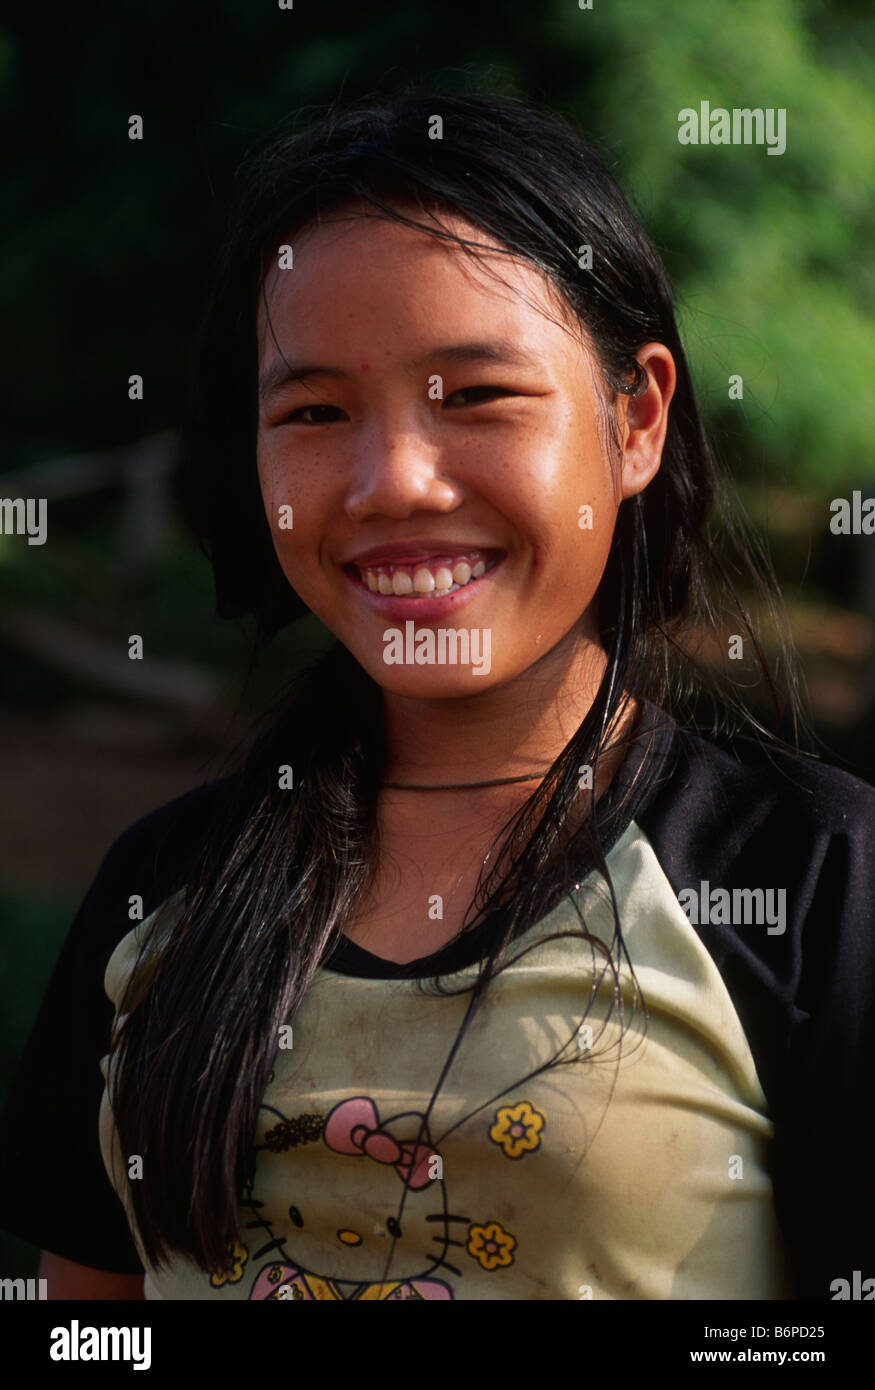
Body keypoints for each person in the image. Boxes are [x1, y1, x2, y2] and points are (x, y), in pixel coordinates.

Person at [1, 90, 873, 1302]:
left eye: (474, 396)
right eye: (313, 411)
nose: (391, 481)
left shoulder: (815, 877)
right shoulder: (164, 893)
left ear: (636, 421)